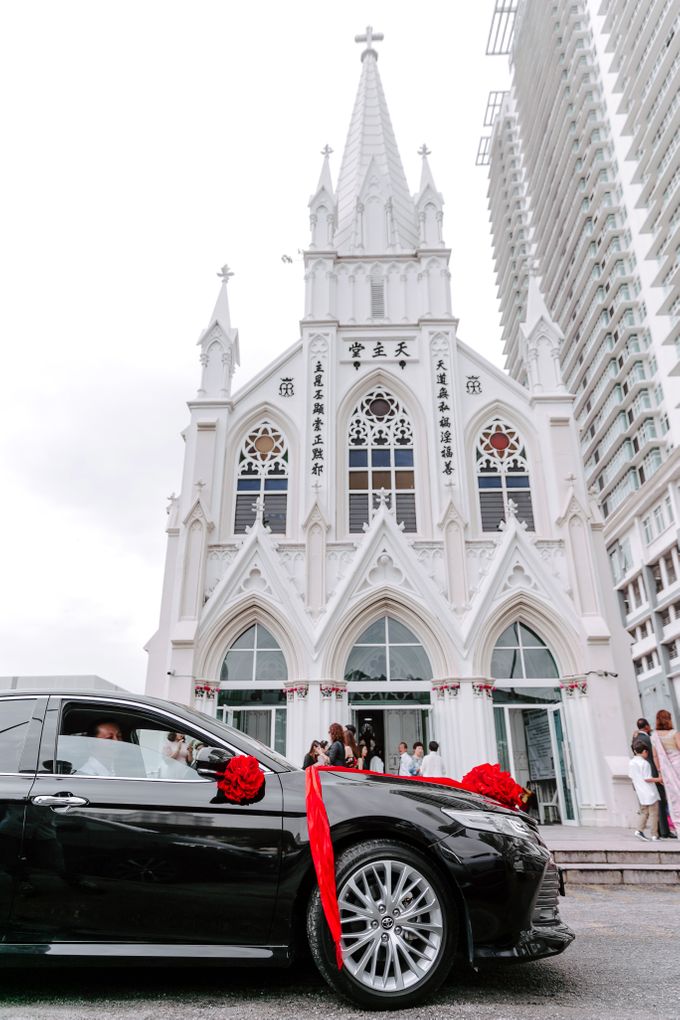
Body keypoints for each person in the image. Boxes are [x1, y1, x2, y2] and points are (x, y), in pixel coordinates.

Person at [631, 717, 670, 838]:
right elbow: (656, 755)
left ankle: (645, 831)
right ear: (647, 726)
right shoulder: (648, 739)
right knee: (657, 808)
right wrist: (659, 776)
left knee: (646, 811)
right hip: (652, 777)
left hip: (640, 786)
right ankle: (659, 833)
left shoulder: (635, 739)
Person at [651, 709, 680, 831]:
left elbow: (655, 755)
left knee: (674, 798)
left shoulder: (654, 736)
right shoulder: (674, 733)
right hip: (678, 765)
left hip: (666, 770)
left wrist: (659, 771)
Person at [628, 741, 661, 840]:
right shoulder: (645, 763)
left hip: (640, 792)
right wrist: (659, 779)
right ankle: (654, 834)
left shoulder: (631, 762)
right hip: (650, 792)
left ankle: (639, 830)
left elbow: (631, 776)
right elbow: (647, 778)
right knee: (654, 814)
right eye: (647, 752)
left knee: (644, 812)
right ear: (644, 751)